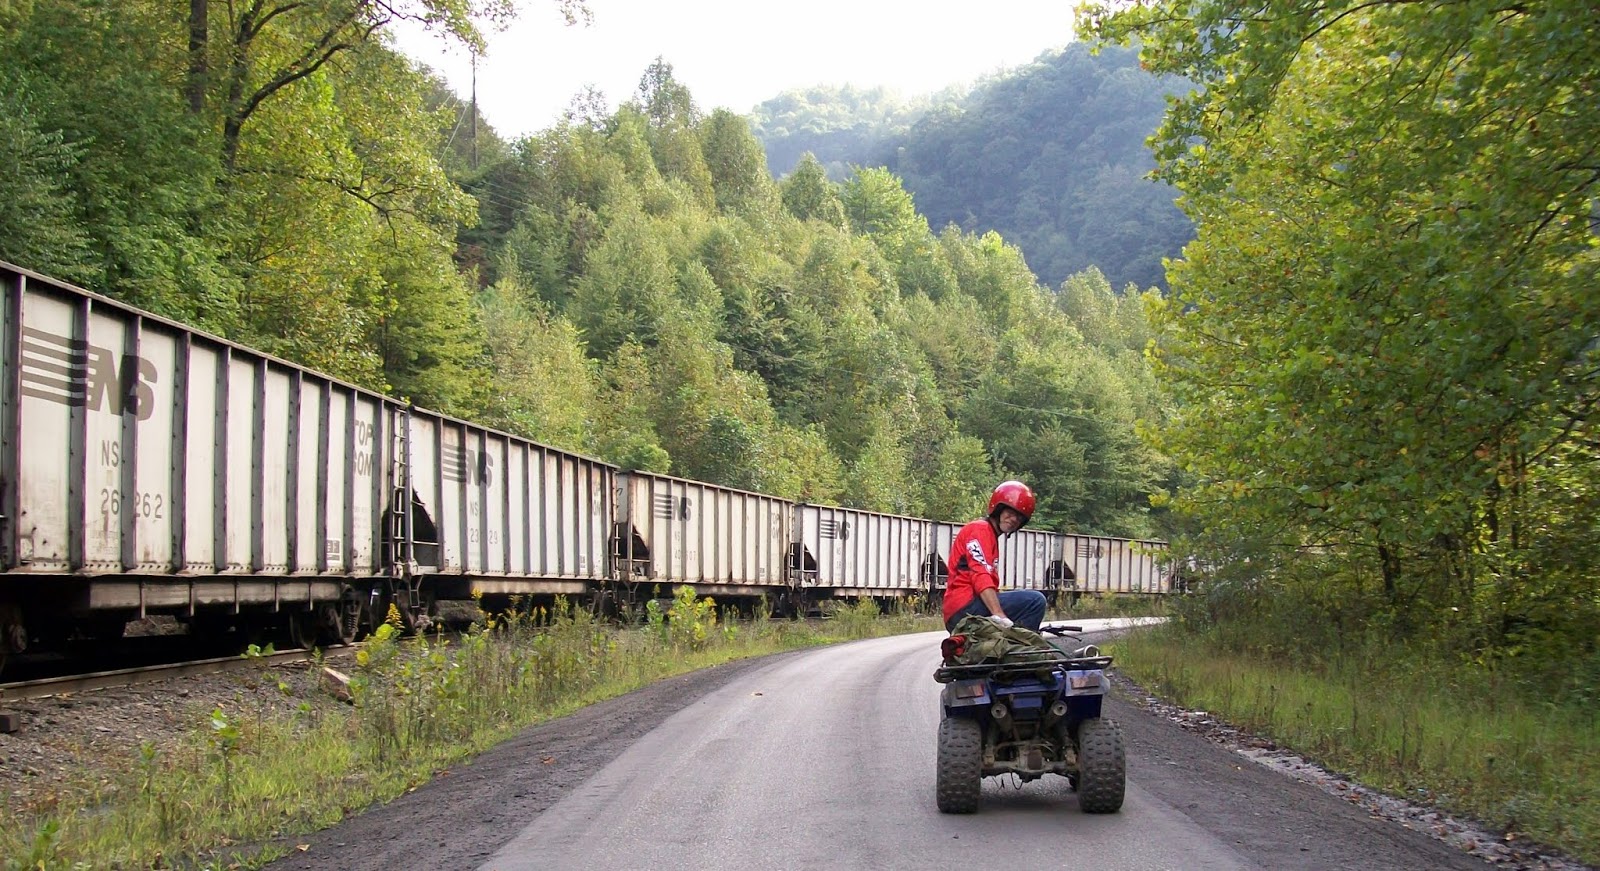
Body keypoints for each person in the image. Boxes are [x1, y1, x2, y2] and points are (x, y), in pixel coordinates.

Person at [942, 480, 1048, 633]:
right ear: (998, 510)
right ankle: (1022, 651)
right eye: (1010, 513)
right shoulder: (980, 529)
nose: (1013, 520)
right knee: (1035, 601)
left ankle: (1007, 646)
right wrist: (999, 614)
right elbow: (980, 574)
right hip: (964, 607)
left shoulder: (990, 535)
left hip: (962, 608)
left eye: (1019, 518)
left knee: (1022, 599)